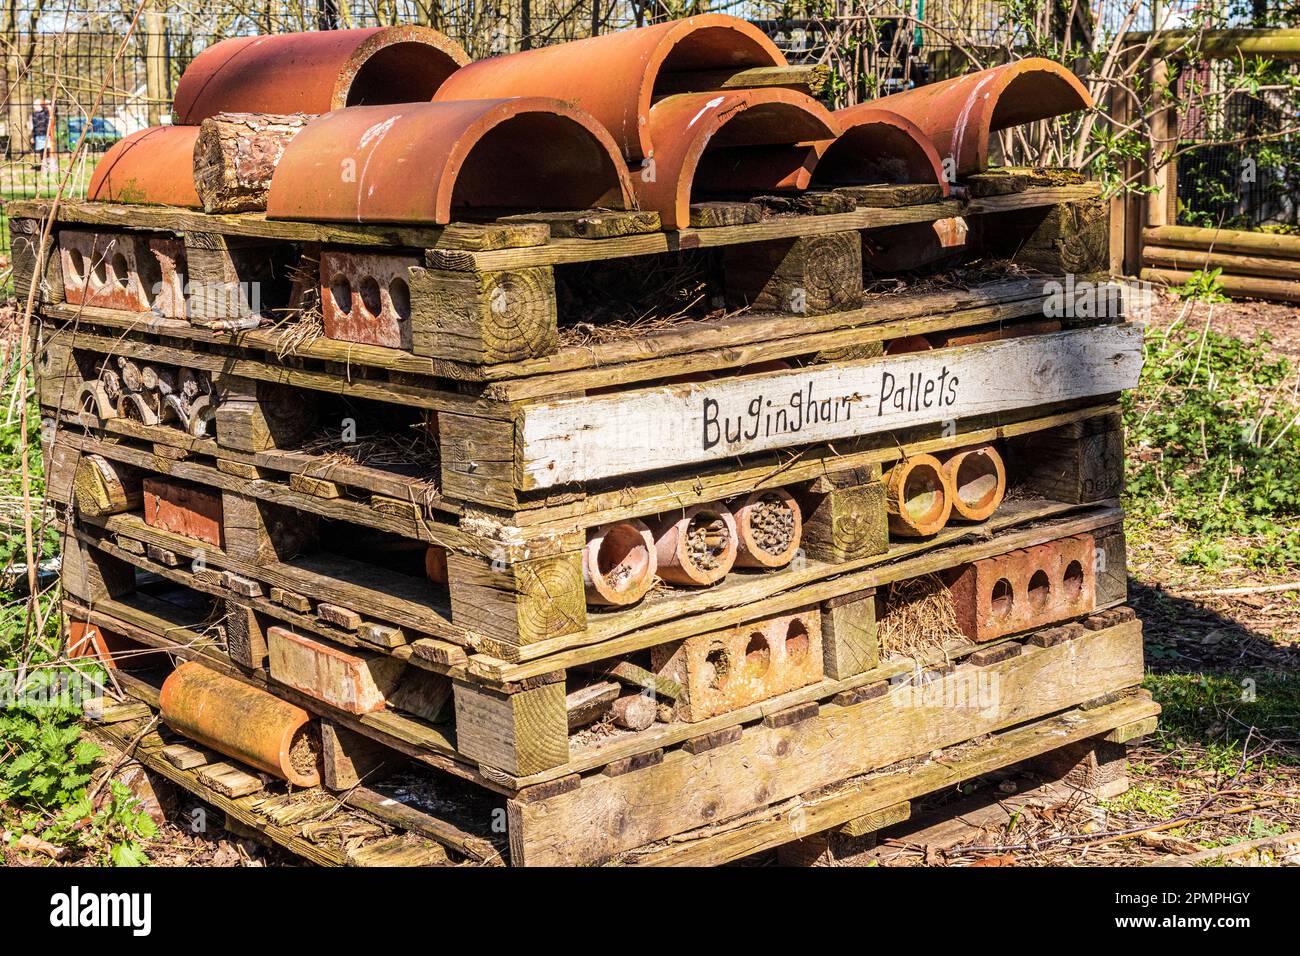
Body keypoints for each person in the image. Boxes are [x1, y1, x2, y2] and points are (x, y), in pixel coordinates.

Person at [30, 98, 50, 171]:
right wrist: (32, 136)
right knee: (41, 151)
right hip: (38, 135)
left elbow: (53, 111)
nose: (34, 107)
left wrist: (48, 104)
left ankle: (47, 164)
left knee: (47, 150)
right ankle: (43, 165)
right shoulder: (33, 114)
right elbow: (33, 127)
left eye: (36, 105)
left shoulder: (46, 112)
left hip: (46, 135)